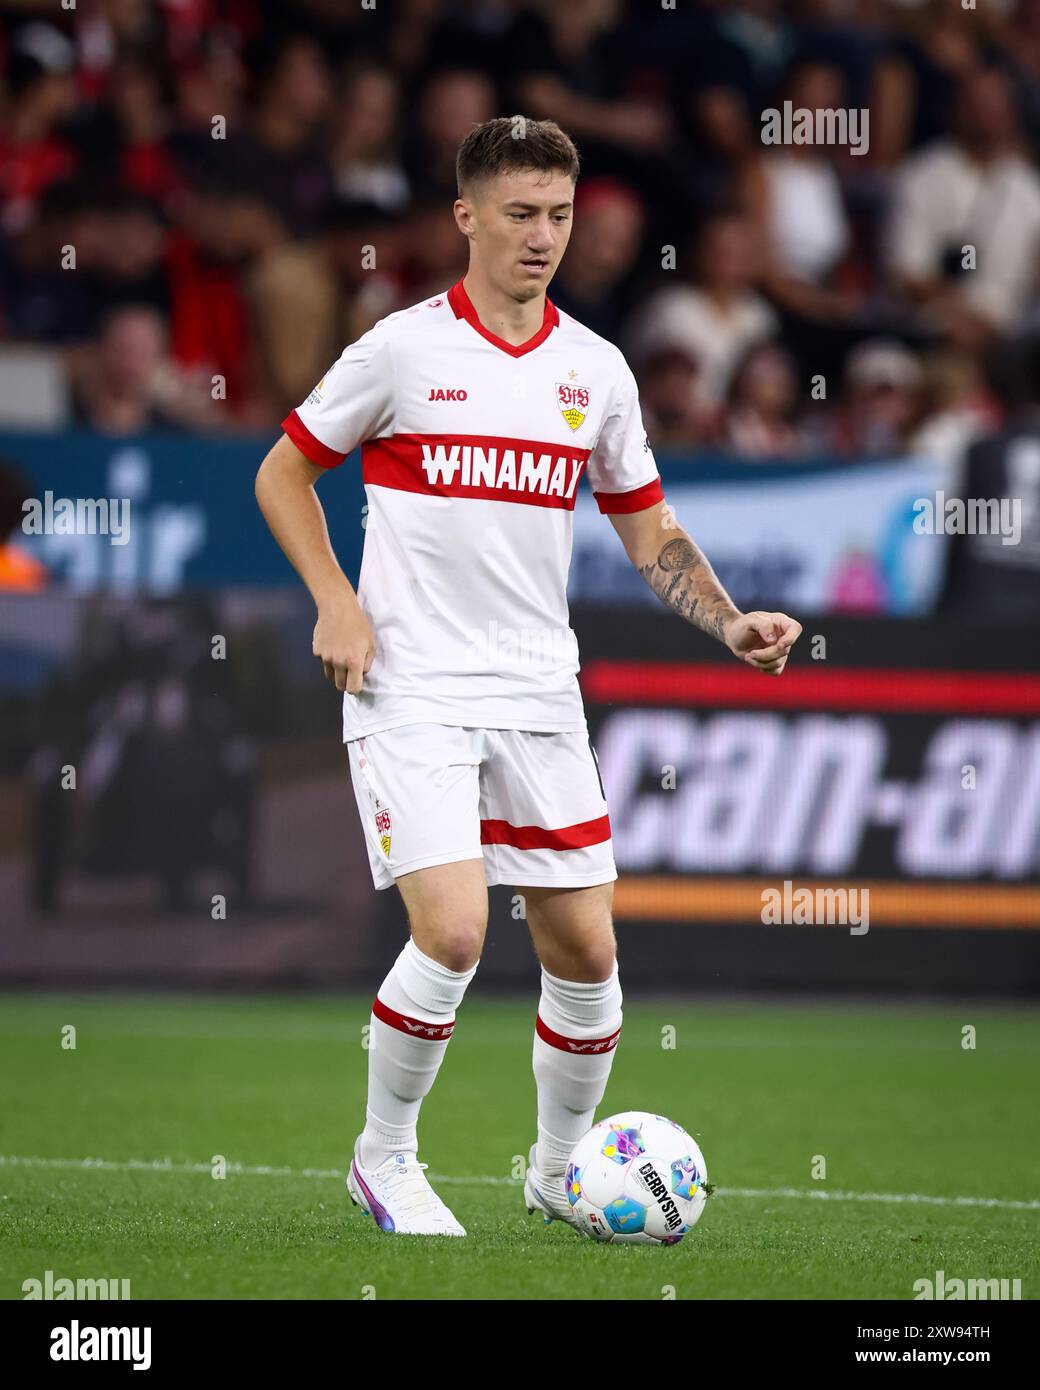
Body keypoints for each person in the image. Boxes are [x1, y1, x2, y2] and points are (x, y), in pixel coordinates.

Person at [254, 116, 802, 1237]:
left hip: (538, 691)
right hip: (409, 683)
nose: (542, 236)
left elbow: (648, 532)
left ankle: (556, 1172)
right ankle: (384, 1158)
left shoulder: (593, 369)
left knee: (586, 951)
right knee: (453, 931)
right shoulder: (401, 349)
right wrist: (336, 598)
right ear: (465, 217)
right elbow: (281, 475)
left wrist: (727, 621)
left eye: (557, 214)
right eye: (519, 213)